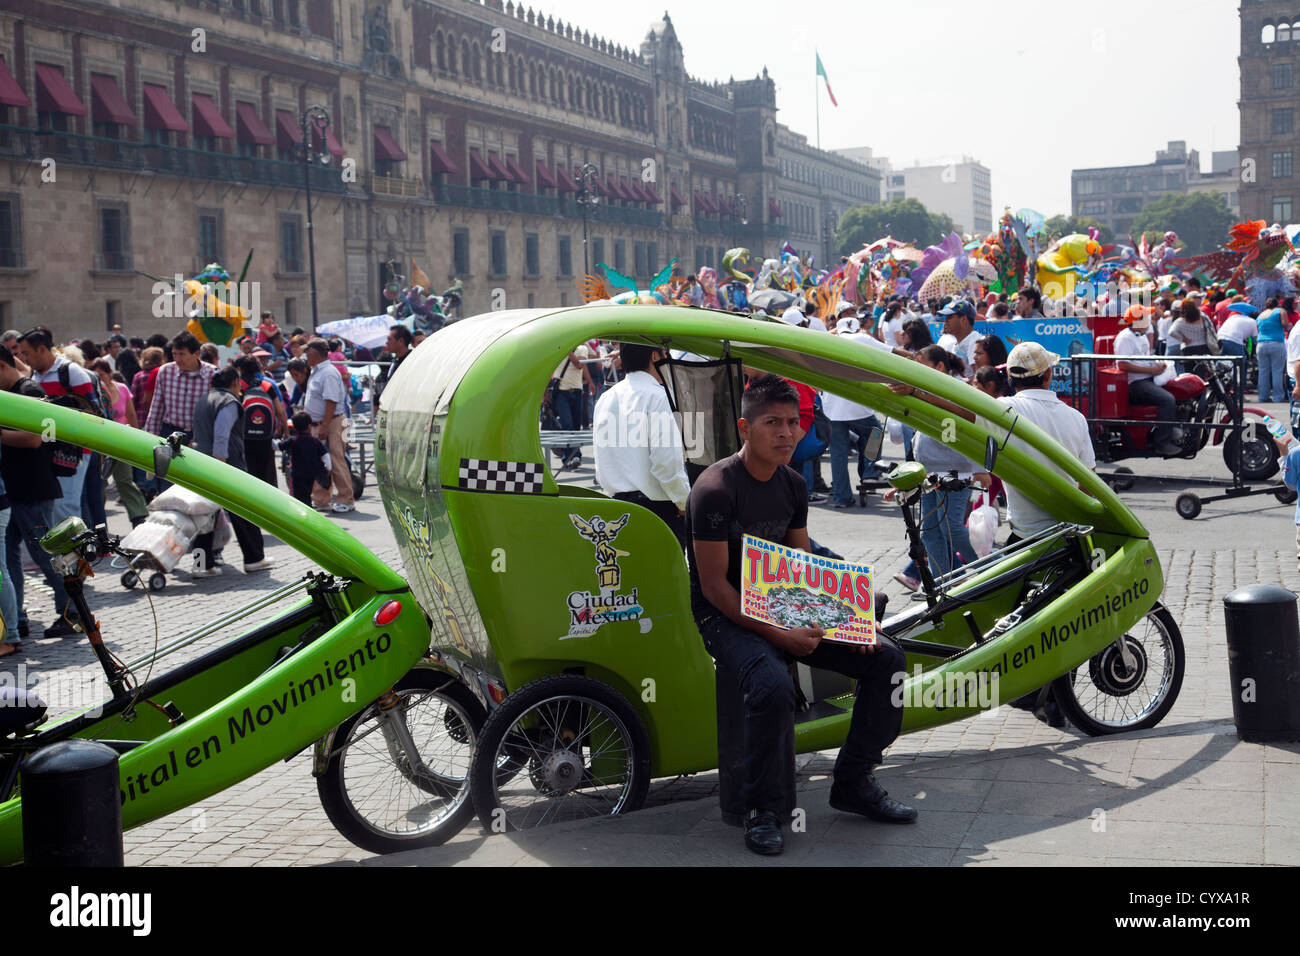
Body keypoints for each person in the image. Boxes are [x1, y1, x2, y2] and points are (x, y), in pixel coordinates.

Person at [687, 374, 913, 856]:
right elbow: (713, 587)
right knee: (771, 685)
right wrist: (779, 635)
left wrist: (852, 621)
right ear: (746, 428)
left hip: (786, 604)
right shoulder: (715, 489)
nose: (787, 433)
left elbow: (803, 567)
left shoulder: (792, 483)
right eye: (773, 423)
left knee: (888, 659)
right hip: (725, 614)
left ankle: (853, 781)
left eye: (793, 422)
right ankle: (762, 810)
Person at [0, 347, 81, 639]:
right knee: (9, 557)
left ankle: (72, 613)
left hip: (32, 489)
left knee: (46, 555)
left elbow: (35, 439)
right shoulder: (19, 386)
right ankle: (16, 616)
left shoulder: (28, 390)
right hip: (17, 491)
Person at [887, 346, 984, 590]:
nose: (916, 368)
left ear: (940, 367)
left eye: (921, 363)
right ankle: (946, 583)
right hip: (928, 472)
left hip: (955, 472)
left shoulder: (955, 387)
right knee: (930, 532)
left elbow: (969, 415)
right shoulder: (922, 389)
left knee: (951, 528)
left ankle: (989, 568)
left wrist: (918, 393)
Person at [592, 342, 691, 548]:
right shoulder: (658, 396)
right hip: (656, 510)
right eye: (666, 353)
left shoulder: (606, 397)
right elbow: (666, 462)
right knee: (663, 578)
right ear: (655, 357)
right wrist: (684, 502)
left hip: (617, 506)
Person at [191, 365, 274, 574]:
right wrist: (221, 465)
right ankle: (254, 558)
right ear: (235, 383)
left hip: (202, 462)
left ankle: (202, 565)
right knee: (244, 512)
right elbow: (222, 435)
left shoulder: (203, 399)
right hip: (226, 466)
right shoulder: (228, 401)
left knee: (204, 518)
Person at [15, 327, 98, 528]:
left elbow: (92, 414)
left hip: (73, 451)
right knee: (54, 508)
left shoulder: (72, 373)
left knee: (66, 508)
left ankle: (78, 558)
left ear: (42, 349)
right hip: (47, 451)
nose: (24, 359)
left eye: (26, 353)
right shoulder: (35, 377)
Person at [88, 359, 148, 527]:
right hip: (101, 442)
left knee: (125, 479)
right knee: (100, 483)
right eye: (96, 376)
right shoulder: (93, 393)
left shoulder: (121, 388)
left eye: (101, 375)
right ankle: (98, 522)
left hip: (121, 441)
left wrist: (136, 437)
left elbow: (131, 414)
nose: (99, 379)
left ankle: (138, 516)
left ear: (109, 374)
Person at [1113, 305, 1180, 456]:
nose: (1149, 320)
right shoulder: (1125, 338)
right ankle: (1162, 443)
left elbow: (1144, 359)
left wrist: (1159, 365)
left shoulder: (1141, 336)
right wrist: (1152, 370)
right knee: (1168, 400)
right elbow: (1123, 364)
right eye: (1146, 317)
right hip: (1136, 384)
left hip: (1149, 378)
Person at [304, 338, 354, 513]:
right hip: (320, 423)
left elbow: (331, 401)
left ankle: (346, 499)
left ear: (316, 352)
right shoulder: (317, 371)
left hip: (331, 422)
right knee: (320, 463)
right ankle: (321, 499)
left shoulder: (328, 372)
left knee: (336, 460)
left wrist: (324, 425)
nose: (305, 355)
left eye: (308, 352)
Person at [143, 331, 216, 446]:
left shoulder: (212, 374)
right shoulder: (165, 371)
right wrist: (149, 439)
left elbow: (215, 413)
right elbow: (156, 409)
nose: (177, 359)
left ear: (196, 353)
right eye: (174, 354)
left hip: (200, 435)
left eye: (182, 354)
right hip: (169, 433)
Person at [234, 354, 287, 488]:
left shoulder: (239, 386)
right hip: (266, 435)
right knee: (264, 470)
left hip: (244, 436)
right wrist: (285, 430)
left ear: (240, 369)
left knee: (248, 470)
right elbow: (280, 411)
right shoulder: (267, 385)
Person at [549, 341, 594, 470]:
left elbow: (580, 365)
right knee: (567, 425)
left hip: (577, 390)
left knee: (575, 426)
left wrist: (590, 382)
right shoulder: (558, 346)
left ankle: (574, 456)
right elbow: (550, 368)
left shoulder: (582, 349)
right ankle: (571, 457)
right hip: (561, 392)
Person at [279, 411, 331, 505]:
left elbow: (278, 446)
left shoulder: (293, 440)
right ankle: (308, 507)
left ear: (294, 427)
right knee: (307, 493)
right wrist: (328, 468)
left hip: (297, 475)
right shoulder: (315, 441)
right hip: (311, 474)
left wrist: (268, 440)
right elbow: (325, 455)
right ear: (309, 426)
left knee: (299, 496)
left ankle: (303, 510)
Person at [1256, 298, 1290, 403]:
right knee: (1277, 371)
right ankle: (1278, 397)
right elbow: (1285, 324)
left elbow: (1258, 329)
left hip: (1261, 344)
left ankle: (1263, 397)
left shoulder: (1260, 315)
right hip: (1276, 343)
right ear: (1277, 304)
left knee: (1263, 372)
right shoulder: (1280, 311)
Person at [375, 324, 413, 406]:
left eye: (390, 339)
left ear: (400, 341)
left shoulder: (412, 361)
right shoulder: (395, 361)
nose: (386, 342)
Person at [936, 300, 980, 369]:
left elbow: (978, 377)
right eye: (946, 317)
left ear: (963, 319)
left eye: (950, 317)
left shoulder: (974, 341)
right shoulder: (956, 344)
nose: (946, 321)